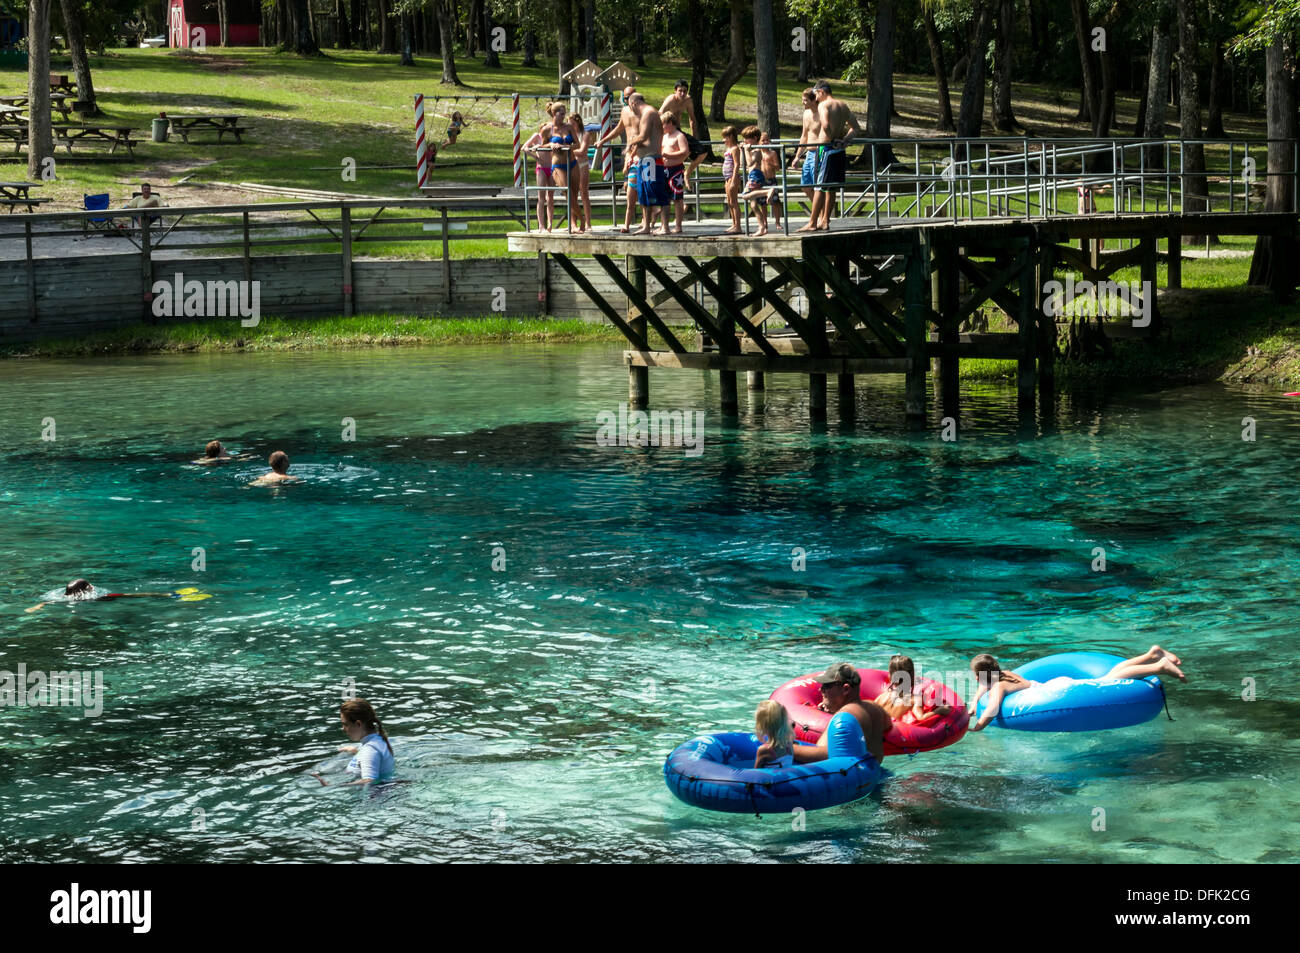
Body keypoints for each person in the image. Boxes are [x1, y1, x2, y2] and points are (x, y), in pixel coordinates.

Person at [968, 646, 1187, 732]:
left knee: (1111, 679)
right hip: (1055, 686)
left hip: (1060, 693)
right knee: (1108, 675)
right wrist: (972, 705)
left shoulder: (998, 686)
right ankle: (1151, 655)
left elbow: (992, 708)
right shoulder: (1005, 673)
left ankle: (1159, 666)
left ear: (980, 675)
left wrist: (978, 727)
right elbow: (983, 689)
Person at [790, 662, 889, 764]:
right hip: (874, 771)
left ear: (846, 689)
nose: (821, 689)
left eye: (826, 686)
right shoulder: (875, 708)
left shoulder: (845, 716)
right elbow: (886, 727)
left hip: (852, 778)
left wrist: (786, 749)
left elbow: (827, 754)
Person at [798, 81, 861, 232]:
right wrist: (844, 140)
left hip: (826, 149)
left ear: (821, 92)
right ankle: (824, 220)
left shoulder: (824, 105)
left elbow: (825, 124)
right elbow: (856, 128)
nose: (816, 98)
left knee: (820, 187)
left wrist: (831, 139)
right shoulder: (843, 105)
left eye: (816, 95)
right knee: (830, 187)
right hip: (838, 151)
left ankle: (813, 222)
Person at [313, 698, 395, 786]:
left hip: (373, 797)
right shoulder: (378, 740)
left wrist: (333, 786)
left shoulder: (369, 750)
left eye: (345, 724)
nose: (343, 729)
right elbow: (373, 760)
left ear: (358, 724)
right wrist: (356, 752)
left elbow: (370, 780)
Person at [595, 86, 643, 233]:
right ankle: (629, 223)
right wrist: (603, 140)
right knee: (628, 189)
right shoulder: (625, 111)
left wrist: (633, 150)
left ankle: (645, 220)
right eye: (625, 97)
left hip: (641, 155)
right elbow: (618, 129)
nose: (627, 100)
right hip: (629, 155)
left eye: (630, 97)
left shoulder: (643, 113)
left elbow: (643, 136)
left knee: (641, 190)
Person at [625, 93, 668, 235]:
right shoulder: (647, 113)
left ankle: (665, 227)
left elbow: (643, 136)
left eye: (631, 108)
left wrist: (630, 143)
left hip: (652, 160)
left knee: (657, 193)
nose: (632, 112)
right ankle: (647, 227)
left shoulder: (648, 113)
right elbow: (646, 140)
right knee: (644, 194)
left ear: (634, 103)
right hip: (646, 160)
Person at [659, 80, 710, 189]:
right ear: (675, 91)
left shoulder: (688, 101)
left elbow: (692, 119)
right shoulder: (670, 99)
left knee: (702, 151)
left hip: (678, 131)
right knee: (687, 152)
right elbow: (660, 113)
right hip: (668, 130)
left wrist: (695, 137)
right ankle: (678, 172)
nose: (682, 94)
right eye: (680, 91)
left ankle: (687, 172)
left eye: (685, 91)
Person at [873, 654, 952, 724]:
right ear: (911, 677)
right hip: (895, 733)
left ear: (890, 677)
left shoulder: (883, 696)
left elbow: (870, 712)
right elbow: (921, 718)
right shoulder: (914, 699)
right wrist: (938, 711)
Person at [545, 102, 580, 232]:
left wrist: (567, 147)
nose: (564, 116)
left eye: (565, 113)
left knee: (574, 195)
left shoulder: (569, 127)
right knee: (568, 194)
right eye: (561, 113)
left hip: (572, 162)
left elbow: (578, 144)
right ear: (554, 114)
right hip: (558, 164)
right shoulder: (547, 129)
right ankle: (582, 220)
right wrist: (551, 145)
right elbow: (541, 145)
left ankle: (574, 224)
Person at [738, 126, 779, 236]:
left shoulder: (757, 151)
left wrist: (746, 150)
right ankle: (762, 227)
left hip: (756, 176)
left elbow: (750, 163)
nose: (745, 141)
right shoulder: (751, 150)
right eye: (744, 139)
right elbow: (743, 163)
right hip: (752, 175)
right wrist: (743, 150)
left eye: (747, 138)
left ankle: (767, 191)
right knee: (753, 204)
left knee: (745, 195)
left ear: (755, 138)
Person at [790, 88, 823, 209]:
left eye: (805, 100)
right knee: (805, 185)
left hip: (820, 153)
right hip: (809, 154)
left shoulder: (822, 113)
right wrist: (797, 156)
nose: (802, 102)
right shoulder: (806, 114)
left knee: (818, 186)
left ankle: (821, 214)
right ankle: (819, 211)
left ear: (814, 100)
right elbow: (804, 136)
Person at [660, 111, 689, 235]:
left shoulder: (679, 136)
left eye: (663, 124)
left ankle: (678, 225)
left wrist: (668, 155)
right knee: (664, 198)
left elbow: (685, 151)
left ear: (670, 123)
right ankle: (664, 225)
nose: (662, 127)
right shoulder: (665, 136)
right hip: (664, 169)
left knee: (677, 198)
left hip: (675, 169)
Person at [522, 123, 555, 232]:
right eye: (550, 129)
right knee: (541, 197)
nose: (552, 130)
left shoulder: (552, 138)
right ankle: (541, 225)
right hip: (541, 169)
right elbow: (524, 148)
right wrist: (535, 157)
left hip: (551, 168)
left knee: (550, 197)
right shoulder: (537, 136)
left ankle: (550, 224)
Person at [753, 700, 794, 769]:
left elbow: (755, 774)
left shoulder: (764, 750)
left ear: (763, 726)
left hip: (769, 779)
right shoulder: (789, 745)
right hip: (786, 778)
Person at [719, 125, 743, 234]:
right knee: (729, 202)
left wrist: (734, 179)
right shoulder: (728, 149)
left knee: (734, 202)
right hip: (727, 178)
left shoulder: (735, 149)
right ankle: (733, 224)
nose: (724, 140)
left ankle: (738, 226)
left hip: (733, 178)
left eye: (726, 137)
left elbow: (737, 164)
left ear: (732, 137)